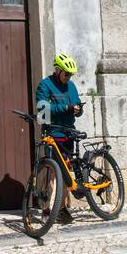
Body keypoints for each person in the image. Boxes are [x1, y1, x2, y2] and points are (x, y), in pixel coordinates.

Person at [36, 53, 83, 225]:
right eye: (66, 74)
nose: (68, 77)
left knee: (66, 173)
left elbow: (77, 104)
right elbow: (43, 111)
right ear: (57, 71)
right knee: (49, 173)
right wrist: (66, 107)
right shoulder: (45, 85)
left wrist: (78, 109)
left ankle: (62, 209)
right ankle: (46, 208)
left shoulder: (71, 87)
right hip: (52, 135)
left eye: (71, 75)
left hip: (68, 134)